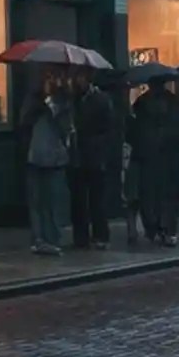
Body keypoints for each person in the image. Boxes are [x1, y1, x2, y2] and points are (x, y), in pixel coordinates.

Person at [20, 67, 76, 256]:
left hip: (55, 156)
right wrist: (40, 105)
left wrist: (55, 109)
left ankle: (52, 238)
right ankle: (38, 238)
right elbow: (24, 121)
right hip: (35, 155)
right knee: (37, 200)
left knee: (52, 200)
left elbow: (67, 128)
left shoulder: (63, 102)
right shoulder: (34, 102)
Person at [126, 76, 179, 247]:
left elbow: (133, 131)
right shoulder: (173, 103)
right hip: (166, 157)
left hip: (150, 156)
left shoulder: (141, 103)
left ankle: (154, 228)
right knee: (167, 195)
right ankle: (167, 229)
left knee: (150, 195)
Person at [70, 67, 114, 249]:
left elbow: (109, 128)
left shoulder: (101, 99)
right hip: (76, 155)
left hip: (94, 155)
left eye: (80, 78)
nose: (77, 81)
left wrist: (101, 148)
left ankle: (100, 235)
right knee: (78, 199)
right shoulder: (72, 99)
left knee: (97, 199)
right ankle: (80, 237)